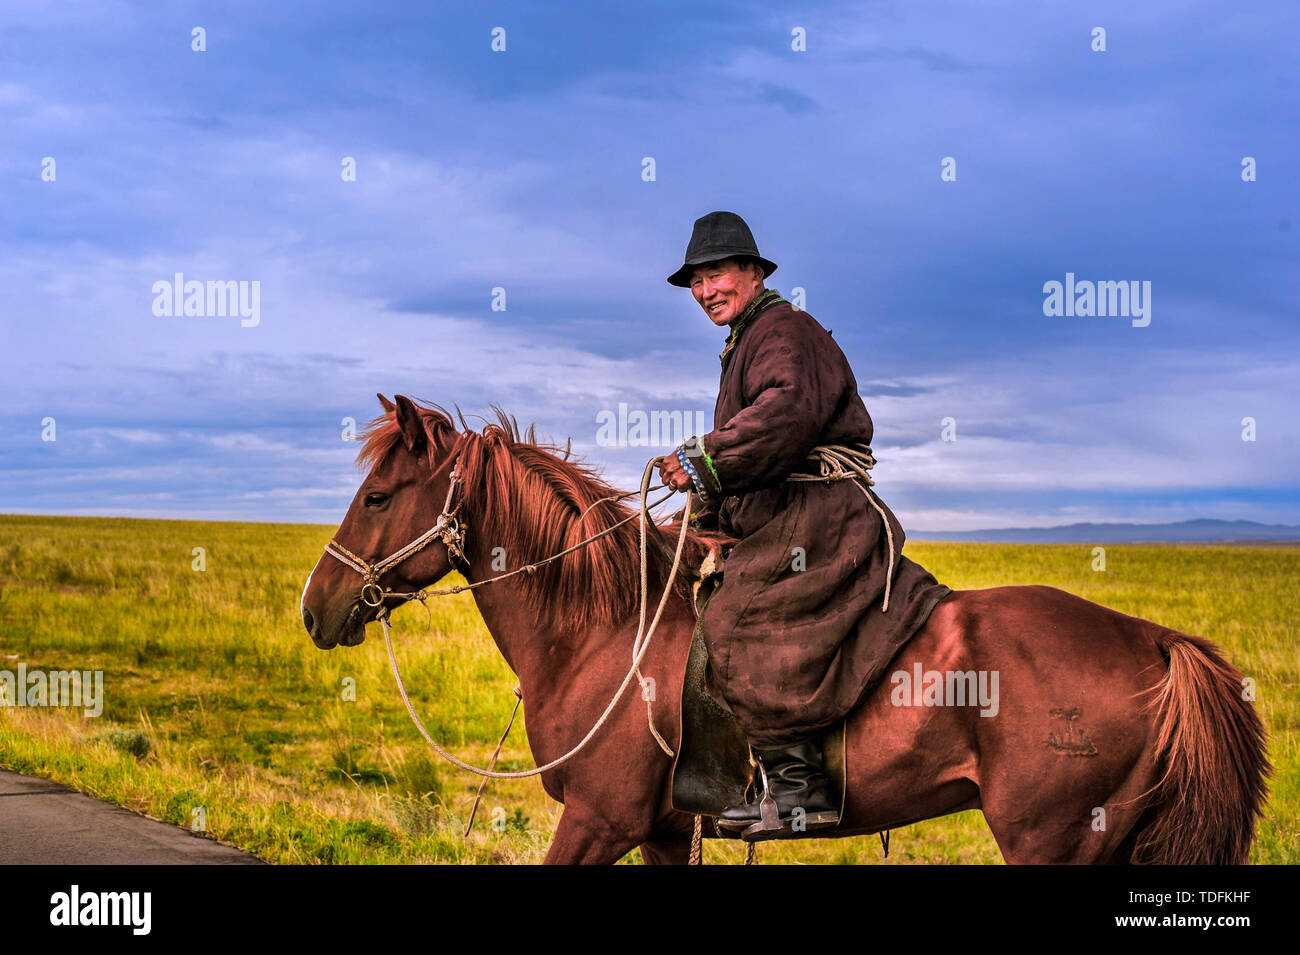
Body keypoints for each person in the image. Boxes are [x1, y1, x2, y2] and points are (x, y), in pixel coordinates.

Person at [659, 211, 952, 841]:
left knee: (739, 617)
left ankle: (799, 788)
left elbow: (783, 418)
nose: (707, 290)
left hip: (821, 518)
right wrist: (705, 511)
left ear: (754, 272)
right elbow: (754, 451)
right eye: (697, 281)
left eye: (717, 274)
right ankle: (744, 777)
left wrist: (700, 458)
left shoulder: (784, 330)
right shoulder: (746, 340)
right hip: (785, 513)